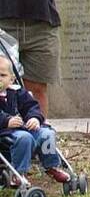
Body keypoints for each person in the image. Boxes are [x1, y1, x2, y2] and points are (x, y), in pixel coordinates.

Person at [0, 52, 69, 184]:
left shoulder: (16, 92)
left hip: (22, 128)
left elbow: (31, 106)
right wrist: (6, 121)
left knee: (46, 133)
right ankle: (19, 173)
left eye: (3, 75)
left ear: (12, 79)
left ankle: (52, 166)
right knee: (24, 138)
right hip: (4, 132)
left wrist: (34, 118)